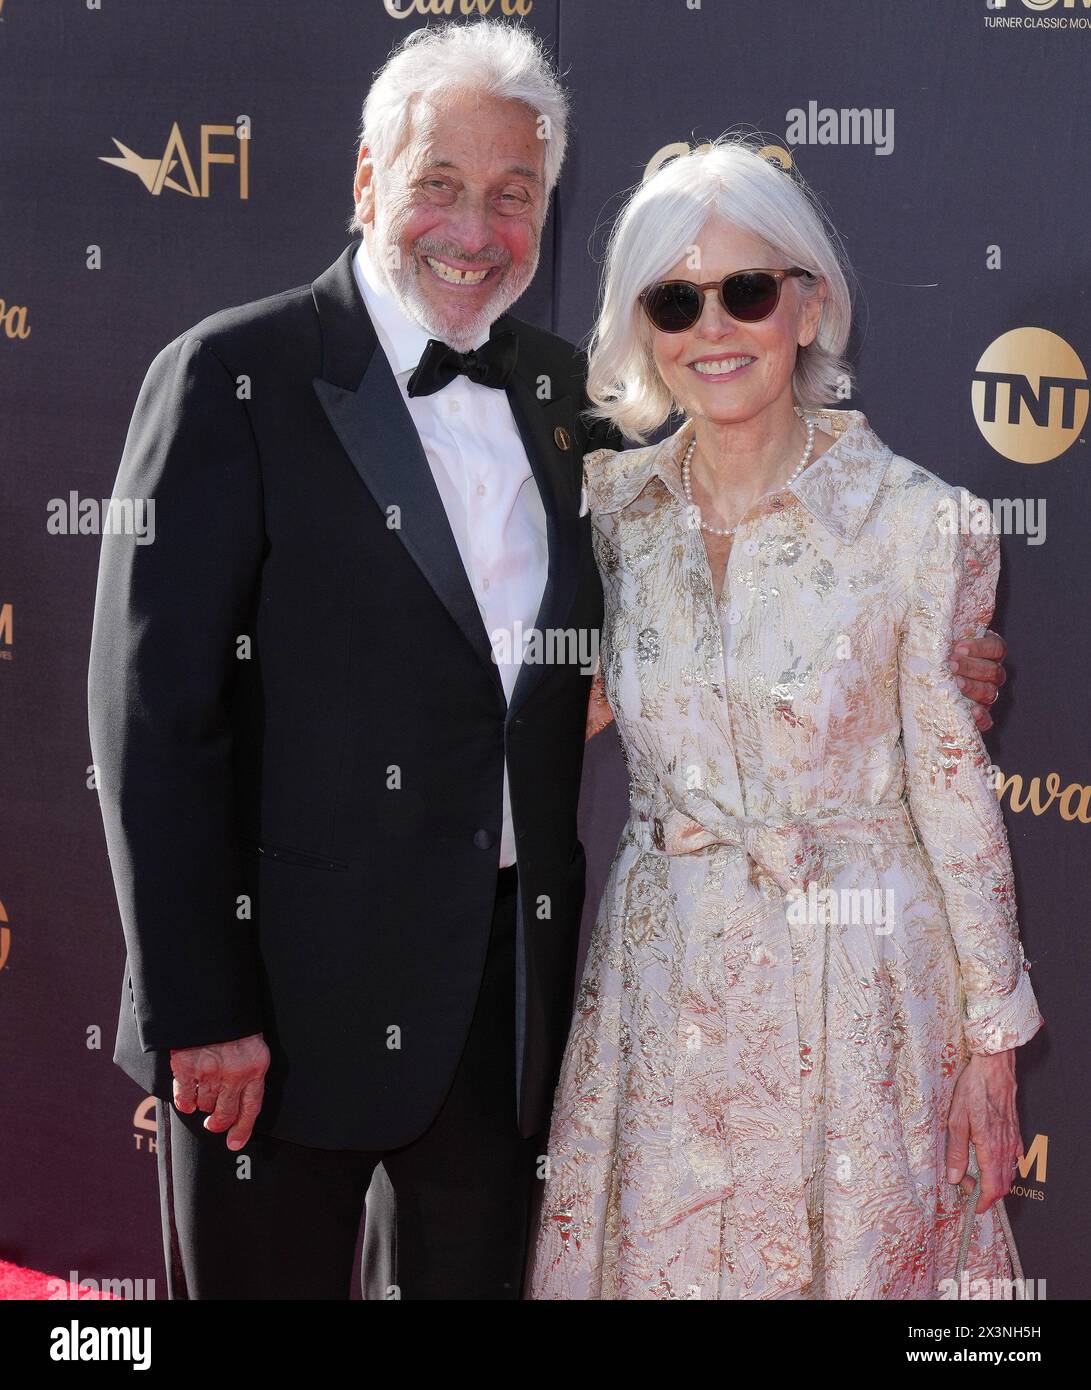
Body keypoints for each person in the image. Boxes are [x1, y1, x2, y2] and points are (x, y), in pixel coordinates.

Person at [86, 21, 1008, 1301]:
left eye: (513, 196)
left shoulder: (569, 405)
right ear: (365, 182)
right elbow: (151, 721)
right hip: (278, 1017)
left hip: (507, 1018)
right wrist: (201, 1007)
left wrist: (920, 666)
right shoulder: (230, 376)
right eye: (439, 186)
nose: (475, 229)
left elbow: (671, 637)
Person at [527, 136, 1042, 1301]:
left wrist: (990, 1043)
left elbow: (955, 802)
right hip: (663, 991)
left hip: (857, 984)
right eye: (675, 298)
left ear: (805, 308)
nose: (713, 327)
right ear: (643, 329)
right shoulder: (612, 513)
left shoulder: (920, 528)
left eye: (746, 290)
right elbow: (557, 695)